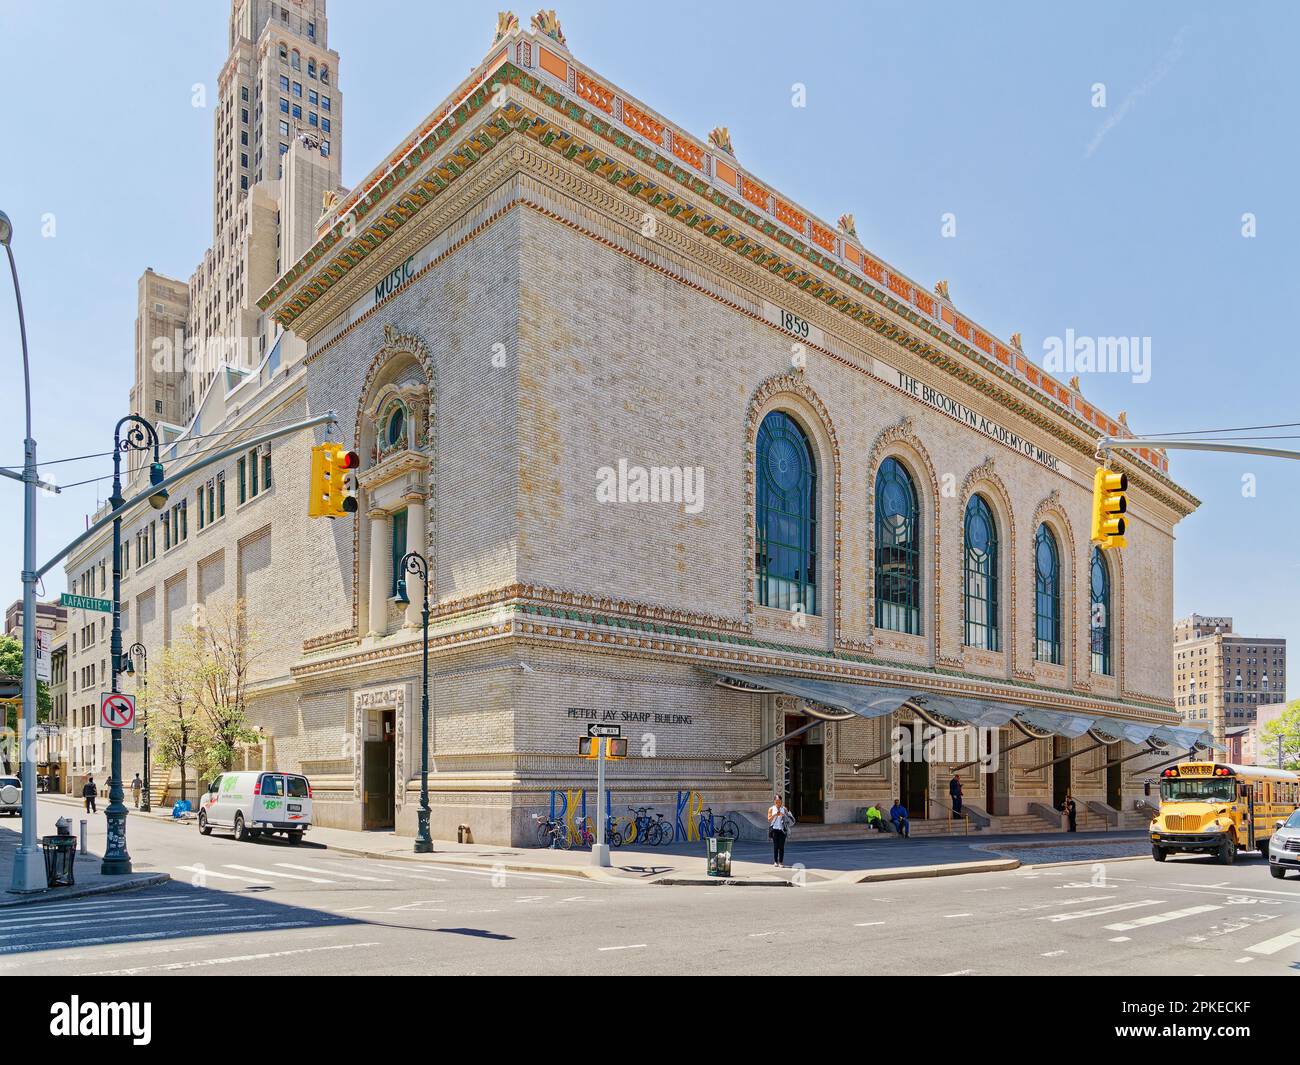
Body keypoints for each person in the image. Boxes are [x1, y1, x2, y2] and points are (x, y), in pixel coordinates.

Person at [767, 794, 792, 867]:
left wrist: (784, 816)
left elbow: (789, 819)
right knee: (775, 846)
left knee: (781, 846)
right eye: (777, 801)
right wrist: (775, 815)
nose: (778, 803)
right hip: (774, 829)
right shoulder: (771, 809)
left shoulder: (784, 809)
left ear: (781, 801)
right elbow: (769, 819)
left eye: (780, 801)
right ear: (774, 801)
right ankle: (775, 861)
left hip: (782, 830)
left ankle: (781, 862)